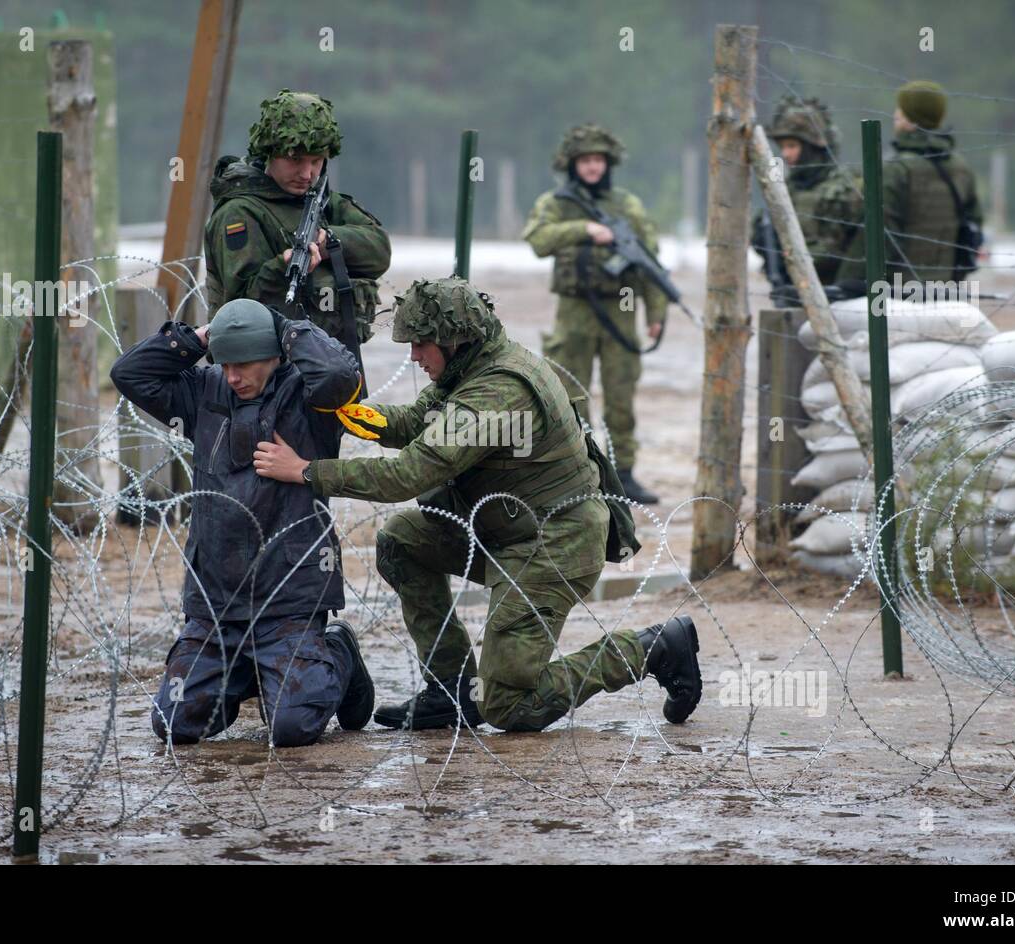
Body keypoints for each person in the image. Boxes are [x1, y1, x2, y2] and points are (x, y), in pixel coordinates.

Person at [253, 277, 703, 733]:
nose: (412, 356)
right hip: (506, 528)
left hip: (552, 544)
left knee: (509, 705)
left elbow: (410, 473)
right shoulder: (471, 366)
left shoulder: (497, 392)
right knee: (400, 541)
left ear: (452, 339)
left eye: (420, 345)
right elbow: (415, 422)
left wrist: (308, 471)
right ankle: (451, 689)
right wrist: (348, 413)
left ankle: (653, 647)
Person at [110, 298, 373, 746]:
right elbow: (129, 374)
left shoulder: (310, 399)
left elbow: (340, 376)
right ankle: (257, 672)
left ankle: (336, 652)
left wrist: (283, 325)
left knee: (292, 728)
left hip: (290, 598)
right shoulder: (202, 393)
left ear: (274, 354)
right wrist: (204, 336)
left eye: (245, 362)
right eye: (226, 362)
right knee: (175, 722)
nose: (234, 376)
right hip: (217, 601)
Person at [523, 123, 665, 505]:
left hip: (621, 305)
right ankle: (576, 471)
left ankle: (624, 474)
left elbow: (650, 260)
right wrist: (584, 229)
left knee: (621, 394)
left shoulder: (626, 205)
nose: (592, 167)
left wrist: (656, 312)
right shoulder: (556, 204)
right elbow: (537, 239)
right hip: (575, 309)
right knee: (570, 395)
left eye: (598, 160)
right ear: (572, 164)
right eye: (585, 160)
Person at [203, 88, 390, 367]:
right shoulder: (240, 213)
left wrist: (331, 244)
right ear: (269, 153)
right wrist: (283, 267)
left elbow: (379, 250)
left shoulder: (326, 203)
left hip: (329, 365)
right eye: (295, 160)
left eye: (316, 161)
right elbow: (240, 306)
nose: (307, 174)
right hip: (261, 372)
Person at [752, 95, 865, 290]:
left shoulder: (847, 189)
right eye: (783, 147)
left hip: (837, 293)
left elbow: (844, 249)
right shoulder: (784, 189)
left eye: (792, 146)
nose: (785, 154)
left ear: (813, 147)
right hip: (792, 291)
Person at [883, 80, 983, 285]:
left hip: (898, 287)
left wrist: (849, 282)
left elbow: (881, 232)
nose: (895, 115)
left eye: (901, 111)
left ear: (911, 120)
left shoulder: (896, 168)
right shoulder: (960, 165)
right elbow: (975, 221)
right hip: (947, 283)